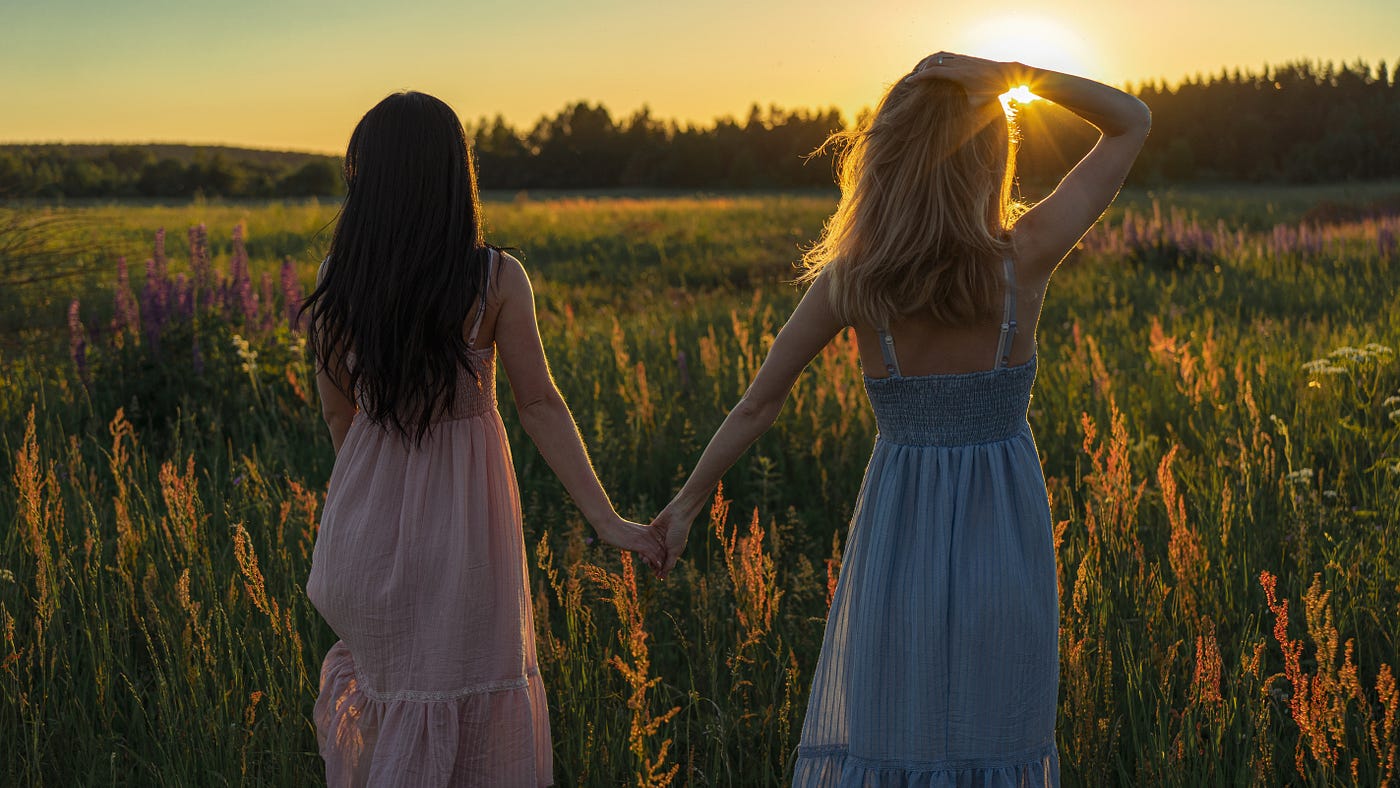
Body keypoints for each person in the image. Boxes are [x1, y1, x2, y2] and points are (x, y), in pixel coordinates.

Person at [652, 53, 1151, 785]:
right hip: (1005, 542)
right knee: (996, 738)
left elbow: (759, 403)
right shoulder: (1025, 260)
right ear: (989, 161)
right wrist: (1013, 74)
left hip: (896, 542)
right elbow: (1131, 120)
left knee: (898, 738)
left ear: (883, 165)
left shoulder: (853, 282)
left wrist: (683, 510)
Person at [303, 91, 664, 787]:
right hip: (467, 528)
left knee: (397, 695)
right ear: (452, 177)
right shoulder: (495, 277)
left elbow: (338, 416)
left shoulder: (337, 282)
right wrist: (607, 519)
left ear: (366, 180)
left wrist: (376, 505)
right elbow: (539, 404)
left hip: (364, 526)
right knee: (466, 690)